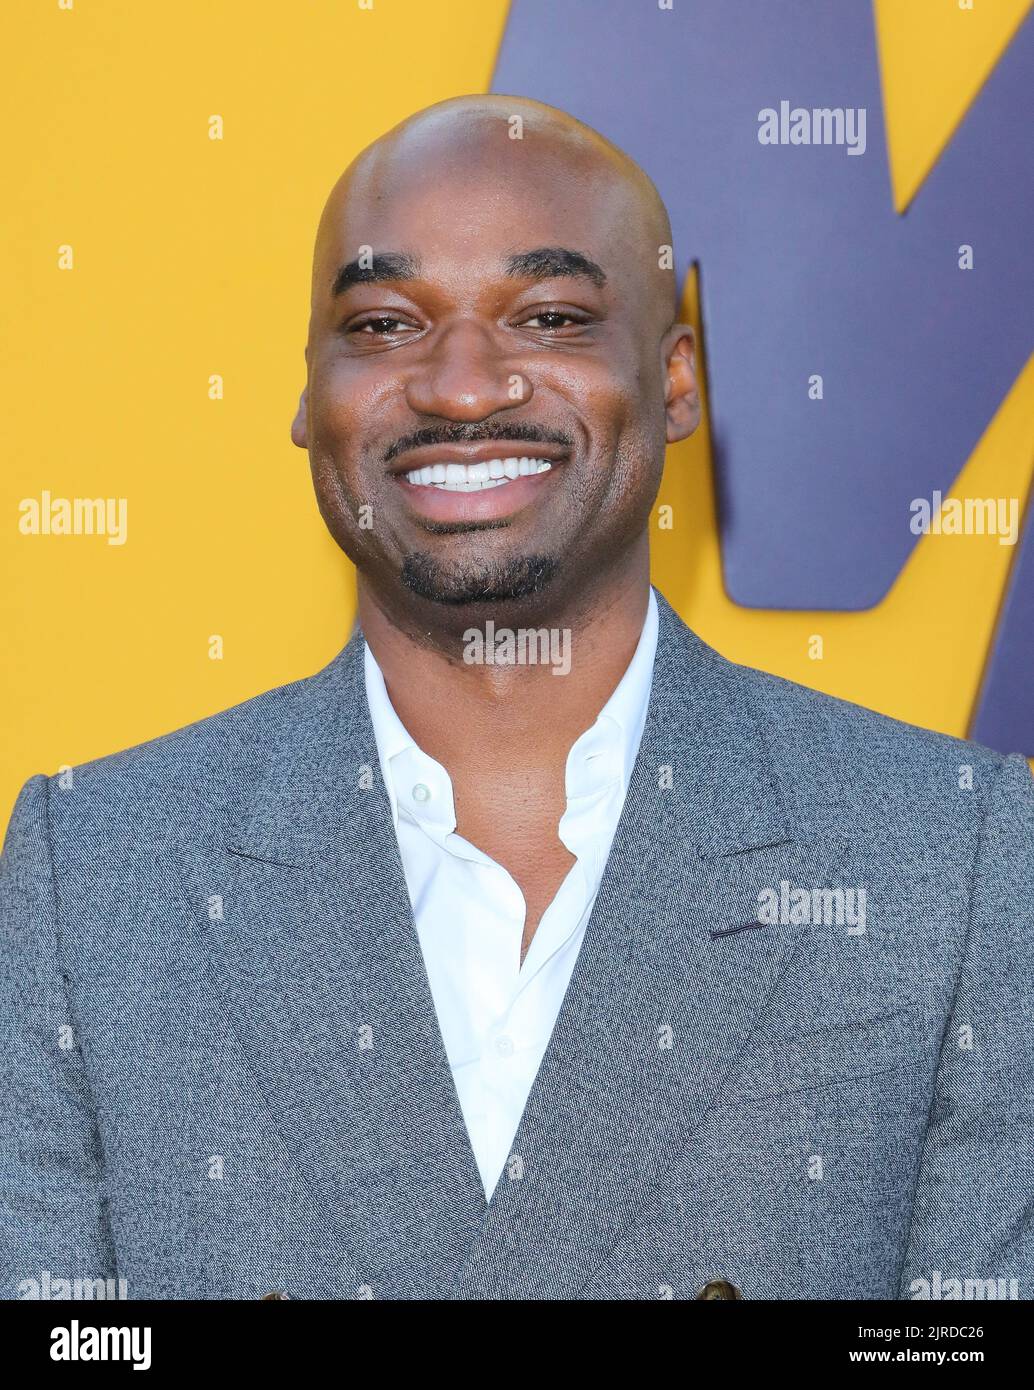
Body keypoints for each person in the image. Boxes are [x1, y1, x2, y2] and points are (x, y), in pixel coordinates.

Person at [2, 95, 1032, 1301]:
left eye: (548, 315)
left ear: (677, 378)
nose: (459, 385)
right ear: (306, 397)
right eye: (383, 323)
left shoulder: (946, 855)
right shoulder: (99, 870)